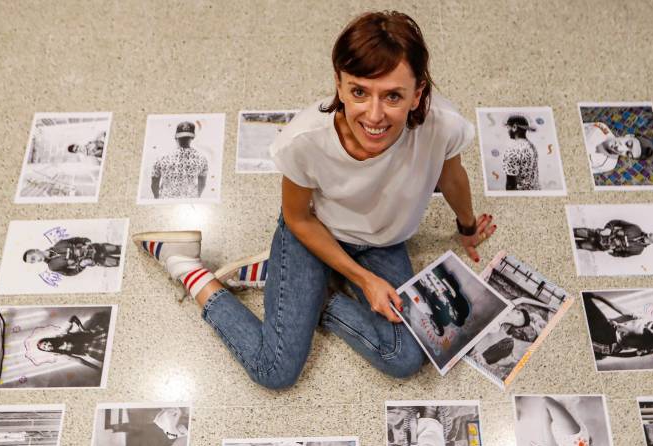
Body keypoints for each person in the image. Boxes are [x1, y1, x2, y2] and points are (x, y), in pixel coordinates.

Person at [132, 12, 495, 390]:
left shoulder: (443, 125)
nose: (374, 116)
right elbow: (298, 218)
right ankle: (184, 264)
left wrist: (467, 226)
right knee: (274, 372)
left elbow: (450, 175)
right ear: (338, 84)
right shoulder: (303, 140)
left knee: (405, 357)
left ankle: (293, 287)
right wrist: (364, 281)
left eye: (392, 96)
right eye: (359, 92)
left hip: (383, 242)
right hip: (315, 233)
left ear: (417, 93)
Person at [583, 293, 653, 358]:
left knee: (584, 303)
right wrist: (599, 297)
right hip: (606, 330)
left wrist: (607, 352)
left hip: (607, 339)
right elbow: (626, 313)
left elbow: (631, 353)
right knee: (585, 301)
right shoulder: (652, 323)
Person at [150, 121, 209, 199]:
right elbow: (202, 184)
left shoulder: (161, 157)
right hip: (189, 201)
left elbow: (154, 183)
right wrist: (196, 196)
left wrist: (157, 198)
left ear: (176, 137)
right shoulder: (202, 158)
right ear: (192, 137)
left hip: (166, 200)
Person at [35, 314, 109, 371]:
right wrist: (96, 368)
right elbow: (79, 360)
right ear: (46, 350)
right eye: (44, 348)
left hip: (93, 338)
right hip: (92, 350)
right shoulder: (60, 354)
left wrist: (82, 329)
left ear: (48, 340)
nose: (46, 347)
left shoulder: (61, 334)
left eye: (45, 344)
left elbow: (73, 318)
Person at [23, 237, 122, 276]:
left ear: (36, 250)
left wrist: (86, 241)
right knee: (118, 263)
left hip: (97, 247)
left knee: (118, 249)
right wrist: (82, 265)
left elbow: (76, 240)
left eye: (33, 258)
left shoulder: (59, 244)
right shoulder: (53, 267)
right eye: (33, 262)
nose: (36, 261)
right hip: (96, 260)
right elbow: (70, 273)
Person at [584, 121, 653, 174]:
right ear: (629, 135)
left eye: (628, 154)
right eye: (628, 144)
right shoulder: (602, 127)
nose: (619, 149)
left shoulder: (609, 165)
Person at [574, 219, 653, 257]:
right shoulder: (636, 228)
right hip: (594, 233)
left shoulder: (638, 250)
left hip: (597, 247)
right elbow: (617, 222)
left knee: (576, 245)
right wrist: (608, 228)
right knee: (572, 232)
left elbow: (622, 255)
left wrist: (612, 252)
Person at [502, 114, 539, 190]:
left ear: (514, 127)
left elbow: (510, 184)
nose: (507, 131)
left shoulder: (512, 150)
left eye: (508, 127)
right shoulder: (532, 147)